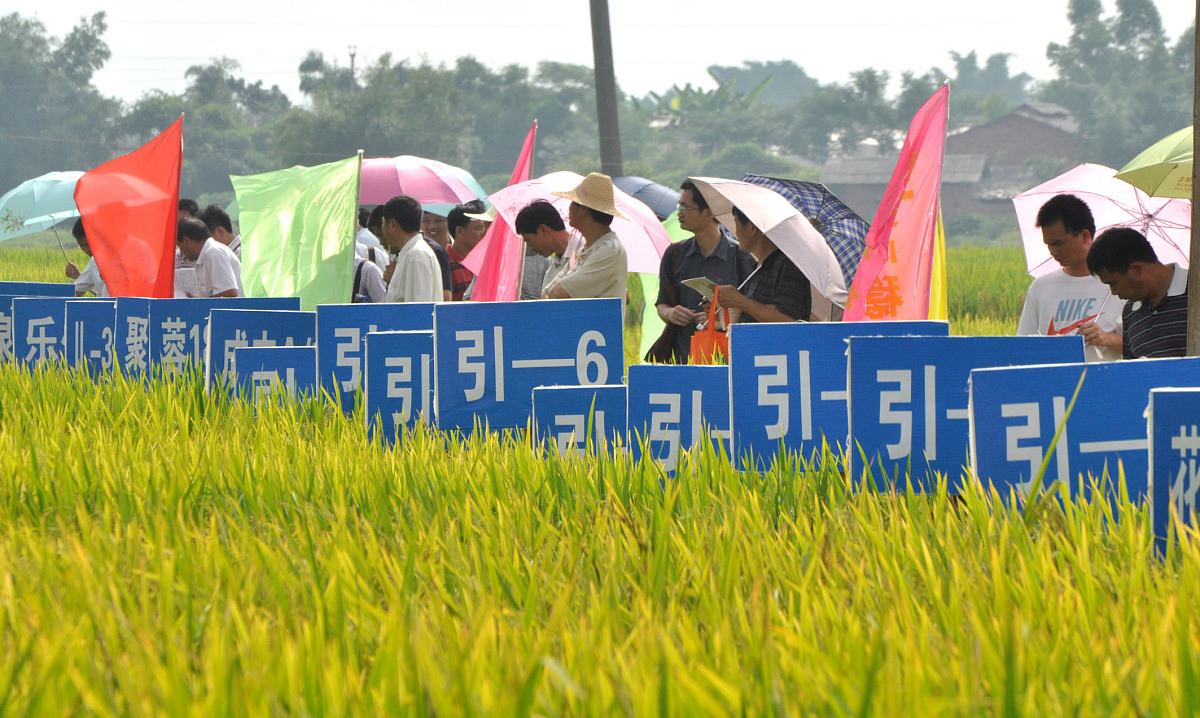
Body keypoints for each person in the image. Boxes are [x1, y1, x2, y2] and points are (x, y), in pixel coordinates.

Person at [654, 179, 755, 361]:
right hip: (682, 357)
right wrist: (671, 313)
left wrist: (719, 323)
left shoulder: (742, 258)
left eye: (685, 207)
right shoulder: (674, 253)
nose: (679, 212)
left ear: (708, 213)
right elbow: (662, 303)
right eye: (679, 205)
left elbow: (751, 315)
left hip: (728, 359)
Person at [1016, 194, 1122, 362]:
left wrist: (1106, 338)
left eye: (1058, 243)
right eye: (1048, 245)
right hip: (1054, 384)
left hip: (1105, 384)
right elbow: (1022, 348)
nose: (1052, 252)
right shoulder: (1040, 287)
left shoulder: (1120, 285)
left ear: (1085, 236)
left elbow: (1143, 344)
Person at [1087, 226, 1187, 359]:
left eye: (1113, 283)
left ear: (1136, 269)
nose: (1113, 292)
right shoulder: (1130, 312)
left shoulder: (1194, 292)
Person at [714, 206, 810, 323]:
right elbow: (754, 314)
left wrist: (740, 301)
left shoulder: (787, 264)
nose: (736, 232)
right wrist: (724, 311)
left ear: (752, 227)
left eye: (737, 224)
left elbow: (787, 318)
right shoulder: (758, 268)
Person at [543, 172, 628, 300]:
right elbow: (547, 291)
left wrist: (551, 293)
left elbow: (559, 292)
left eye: (573, 202)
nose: (569, 208)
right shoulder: (584, 251)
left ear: (583, 210)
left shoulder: (609, 251)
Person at [382, 195, 442, 304]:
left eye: (383, 223)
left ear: (393, 224)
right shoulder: (411, 253)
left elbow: (418, 311)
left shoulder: (416, 255)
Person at [515, 200, 579, 295]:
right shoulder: (550, 273)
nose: (531, 248)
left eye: (529, 241)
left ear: (543, 230)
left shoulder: (587, 254)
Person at [176, 216, 243, 298]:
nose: (181, 252)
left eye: (179, 246)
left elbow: (229, 292)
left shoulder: (214, 253)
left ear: (187, 241)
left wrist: (201, 303)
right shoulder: (207, 255)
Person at [445, 200, 488, 300]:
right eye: (478, 228)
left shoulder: (485, 261)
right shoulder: (446, 262)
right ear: (459, 231)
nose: (484, 233)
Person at [64, 218, 108, 298]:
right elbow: (76, 292)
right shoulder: (94, 262)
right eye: (81, 246)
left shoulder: (126, 259)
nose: (86, 250)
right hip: (106, 309)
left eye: (88, 245)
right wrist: (78, 277)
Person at [420, 208, 453, 301]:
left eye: (439, 220)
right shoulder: (417, 254)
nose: (432, 226)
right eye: (426, 221)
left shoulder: (461, 251)